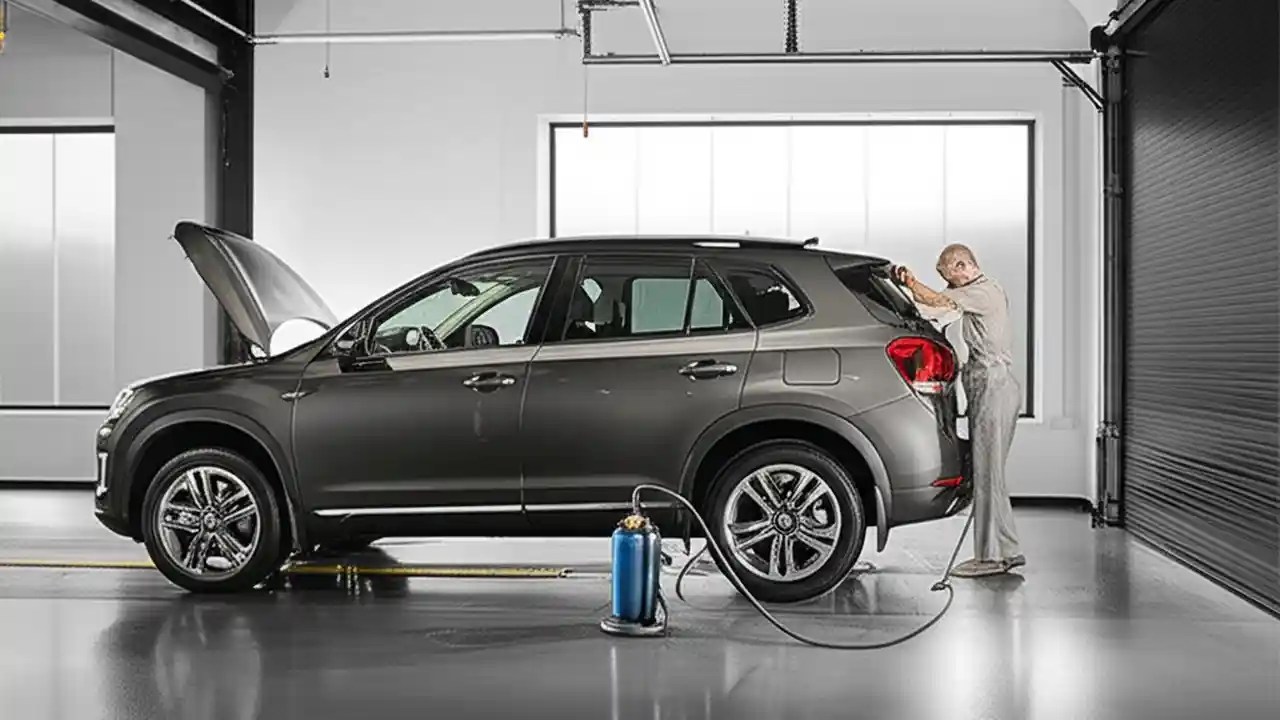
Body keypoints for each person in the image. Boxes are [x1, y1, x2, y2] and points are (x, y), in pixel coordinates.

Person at [894, 244, 1025, 578]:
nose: (946, 283)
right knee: (990, 473)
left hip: (993, 387)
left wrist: (910, 281)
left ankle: (990, 558)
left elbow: (937, 301)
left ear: (963, 265)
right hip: (989, 387)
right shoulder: (972, 295)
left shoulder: (983, 292)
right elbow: (933, 312)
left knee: (986, 472)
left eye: (946, 275)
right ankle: (1006, 550)